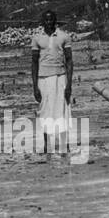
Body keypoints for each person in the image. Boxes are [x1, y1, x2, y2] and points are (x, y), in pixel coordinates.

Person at [31, 11, 73, 156]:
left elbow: (69, 61)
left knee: (62, 110)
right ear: (43, 22)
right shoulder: (37, 38)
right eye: (46, 20)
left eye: (51, 20)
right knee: (44, 111)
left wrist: (69, 85)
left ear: (55, 21)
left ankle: (64, 146)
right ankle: (45, 146)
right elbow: (34, 63)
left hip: (60, 77)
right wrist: (34, 86)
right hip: (43, 79)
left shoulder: (64, 36)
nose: (49, 22)